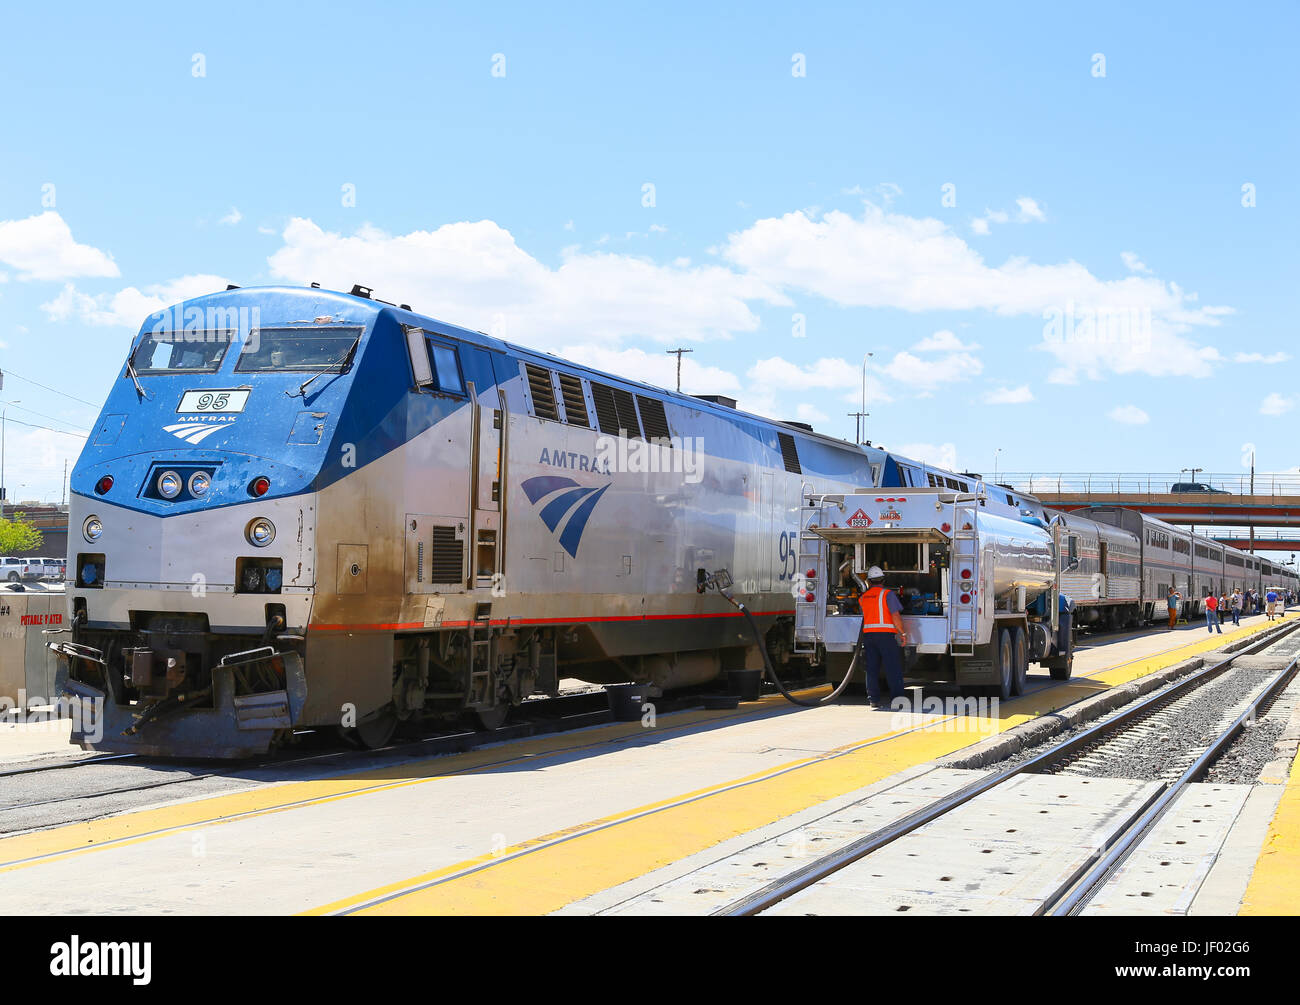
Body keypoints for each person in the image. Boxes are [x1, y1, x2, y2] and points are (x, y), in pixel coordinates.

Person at [859, 565, 908, 708]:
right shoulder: (888, 595)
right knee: (892, 667)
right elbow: (895, 616)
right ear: (883, 580)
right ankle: (897, 700)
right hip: (885, 635)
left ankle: (873, 699)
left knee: (871, 668)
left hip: (868, 635)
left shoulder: (863, 597)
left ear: (868, 581)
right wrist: (902, 633)